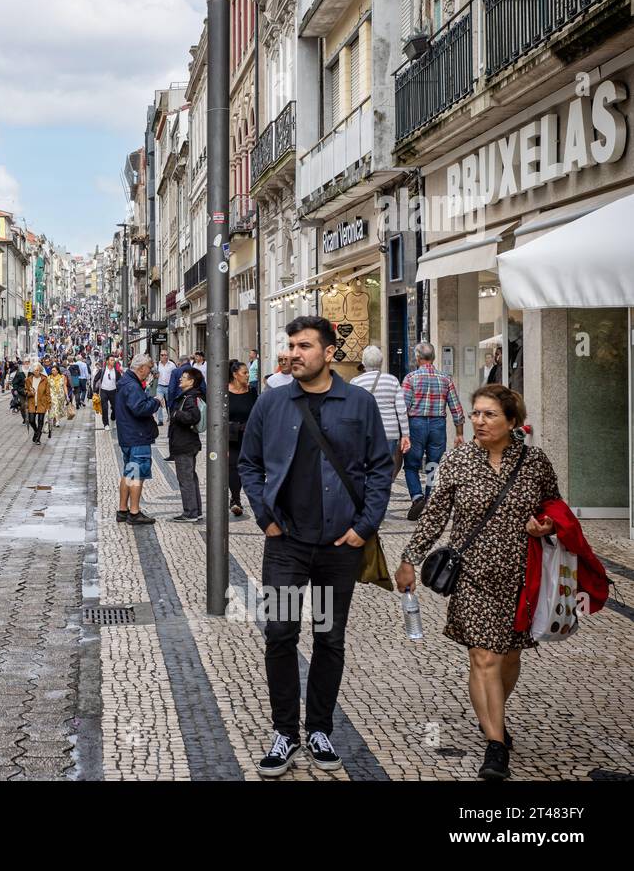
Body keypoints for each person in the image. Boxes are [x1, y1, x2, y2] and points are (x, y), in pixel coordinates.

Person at [238, 315, 392, 778]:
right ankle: (285, 731)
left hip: (336, 545)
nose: (293, 353)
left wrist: (364, 527)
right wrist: (265, 518)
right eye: (290, 345)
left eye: (304, 346)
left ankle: (319, 728)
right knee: (281, 633)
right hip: (288, 543)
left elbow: (380, 467)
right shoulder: (272, 402)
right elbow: (249, 463)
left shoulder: (358, 403)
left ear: (329, 353)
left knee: (328, 638)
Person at [397, 385, 560, 781]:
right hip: (471, 573)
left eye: (489, 415)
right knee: (483, 657)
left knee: (509, 657)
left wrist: (545, 525)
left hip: (520, 575)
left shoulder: (535, 462)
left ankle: (493, 715)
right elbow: (434, 516)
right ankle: (495, 743)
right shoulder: (458, 460)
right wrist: (409, 560)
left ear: (512, 422)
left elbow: (553, 506)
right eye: (475, 414)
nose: (479, 421)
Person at [402, 342, 466, 520]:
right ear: (434, 358)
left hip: (415, 424)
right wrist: (459, 433)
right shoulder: (445, 379)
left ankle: (417, 498)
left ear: (417, 357)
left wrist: (403, 432)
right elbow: (457, 409)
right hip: (438, 424)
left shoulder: (410, 378)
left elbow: (403, 407)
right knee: (434, 465)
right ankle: (429, 501)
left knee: (411, 465)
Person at [351, 345, 409, 481]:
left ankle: (367, 494)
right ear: (381, 362)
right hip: (389, 432)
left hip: (365, 432)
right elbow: (401, 410)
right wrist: (406, 434)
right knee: (384, 467)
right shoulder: (392, 380)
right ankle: (381, 493)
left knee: (366, 466)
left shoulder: (356, 382)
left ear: (363, 363)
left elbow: (352, 411)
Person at [114, 354, 159, 525]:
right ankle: (134, 512)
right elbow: (140, 408)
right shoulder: (132, 386)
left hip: (128, 435)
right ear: (141, 368)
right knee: (136, 474)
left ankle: (122, 510)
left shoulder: (126, 382)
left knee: (128, 473)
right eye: (149, 368)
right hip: (137, 436)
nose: (150, 372)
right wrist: (155, 402)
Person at [168, 366, 205, 522]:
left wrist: (176, 414)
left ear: (191, 381)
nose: (180, 379)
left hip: (185, 443)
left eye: (183, 377)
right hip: (187, 442)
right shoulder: (188, 396)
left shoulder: (190, 397)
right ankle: (196, 510)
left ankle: (190, 512)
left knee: (186, 479)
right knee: (191, 477)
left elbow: (193, 417)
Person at [227, 359, 259, 517]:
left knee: (247, 468)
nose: (248, 375)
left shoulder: (252, 391)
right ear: (235, 374)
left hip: (248, 436)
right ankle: (235, 499)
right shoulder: (224, 392)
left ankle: (252, 499)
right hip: (230, 437)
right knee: (233, 467)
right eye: (245, 373)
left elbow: (257, 413)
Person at [25, 364, 51, 445]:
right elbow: (25, 391)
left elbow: (48, 393)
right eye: (34, 370)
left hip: (42, 403)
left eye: (37, 370)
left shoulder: (44, 380)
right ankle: (37, 432)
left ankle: (38, 438)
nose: (35, 372)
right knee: (31, 420)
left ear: (40, 371)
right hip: (32, 403)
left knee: (40, 421)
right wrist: (30, 393)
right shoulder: (28, 380)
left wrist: (49, 404)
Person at [93, 356, 122, 430]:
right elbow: (95, 380)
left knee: (116, 408)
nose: (113, 361)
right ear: (107, 361)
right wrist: (95, 391)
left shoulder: (116, 371)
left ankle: (113, 416)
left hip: (113, 392)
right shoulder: (102, 370)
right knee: (105, 408)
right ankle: (106, 424)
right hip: (104, 391)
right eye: (111, 360)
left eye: (113, 360)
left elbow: (121, 382)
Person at [155, 350, 177, 425]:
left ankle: (170, 417)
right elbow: (154, 375)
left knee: (169, 403)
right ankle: (160, 420)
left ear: (168, 356)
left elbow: (175, 375)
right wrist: (155, 376)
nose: (164, 356)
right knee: (159, 403)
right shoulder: (157, 364)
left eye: (165, 355)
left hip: (169, 386)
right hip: (160, 386)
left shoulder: (172, 365)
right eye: (162, 355)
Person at [47, 364, 68, 437]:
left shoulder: (62, 377)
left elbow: (65, 386)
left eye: (54, 370)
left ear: (57, 371)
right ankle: (57, 421)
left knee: (59, 407)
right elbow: (47, 387)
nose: (53, 371)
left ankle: (55, 419)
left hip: (61, 395)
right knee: (55, 406)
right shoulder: (49, 378)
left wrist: (67, 396)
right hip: (52, 394)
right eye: (52, 370)